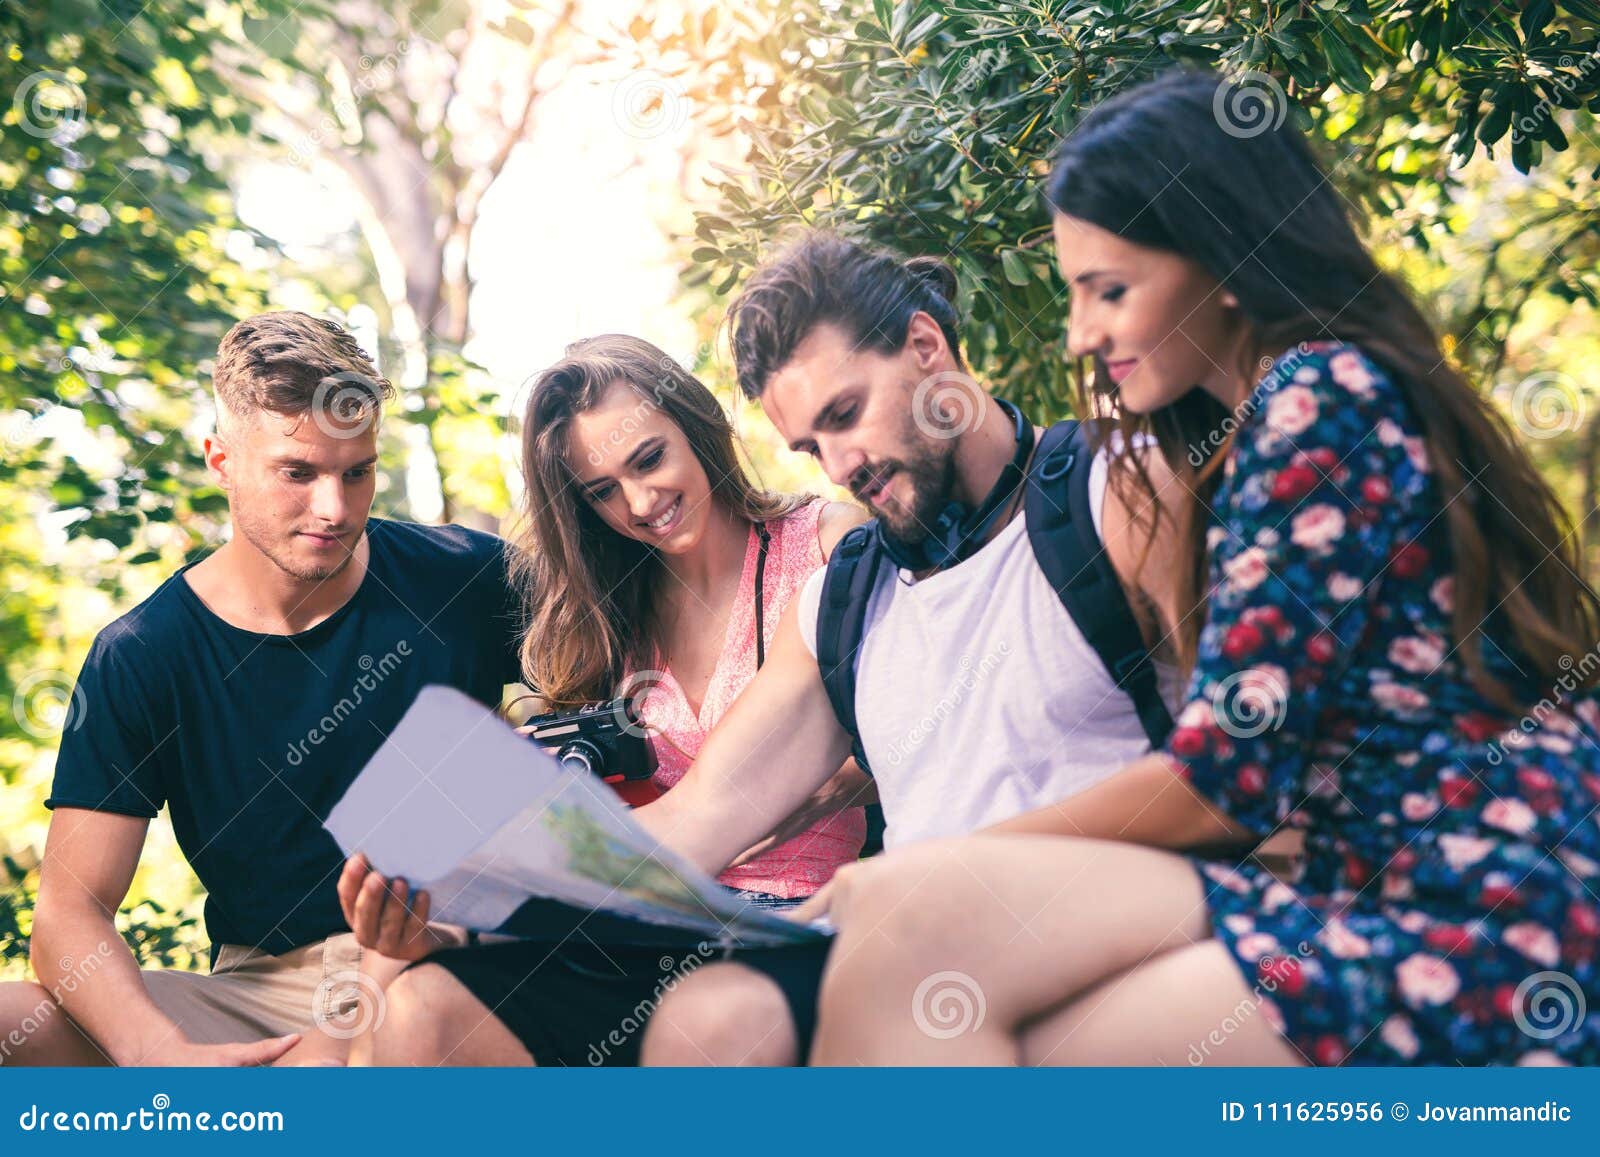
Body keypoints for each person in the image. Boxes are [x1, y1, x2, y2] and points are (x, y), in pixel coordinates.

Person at [797, 68, 1600, 1066]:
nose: (1081, 332)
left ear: (1220, 254)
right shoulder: (1266, 421)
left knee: (934, 953)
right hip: (1374, 885)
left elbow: (1226, 777)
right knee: (931, 971)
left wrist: (925, 868)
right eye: (1075, 293)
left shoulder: (1320, 397)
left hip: (1479, 911)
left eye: (1110, 290)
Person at [348, 234, 1199, 1066]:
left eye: (846, 415)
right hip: (901, 941)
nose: (840, 466)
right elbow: (693, 821)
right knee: (603, 1012)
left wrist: (925, 876)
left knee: (741, 1017)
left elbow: (1240, 771)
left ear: (926, 346)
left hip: (1063, 912)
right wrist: (466, 893)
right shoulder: (845, 598)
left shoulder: (1114, 491)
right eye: (811, 446)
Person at [0, 312, 521, 1066]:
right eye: (298, 472)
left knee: (410, 1027)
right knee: (11, 1022)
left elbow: (645, 676)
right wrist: (159, 1052)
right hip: (259, 990)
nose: (334, 508)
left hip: (443, 963)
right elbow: (67, 916)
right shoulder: (144, 653)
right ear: (222, 461)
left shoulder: (466, 577)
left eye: (357, 472)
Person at [338, 334, 871, 1066]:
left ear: (698, 424)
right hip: (635, 929)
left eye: (649, 459)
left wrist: (821, 789)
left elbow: (922, 731)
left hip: (789, 920)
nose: (640, 503)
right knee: (420, 1005)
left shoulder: (828, 546)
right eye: (602, 491)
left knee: (706, 1022)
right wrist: (429, 921)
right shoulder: (603, 619)